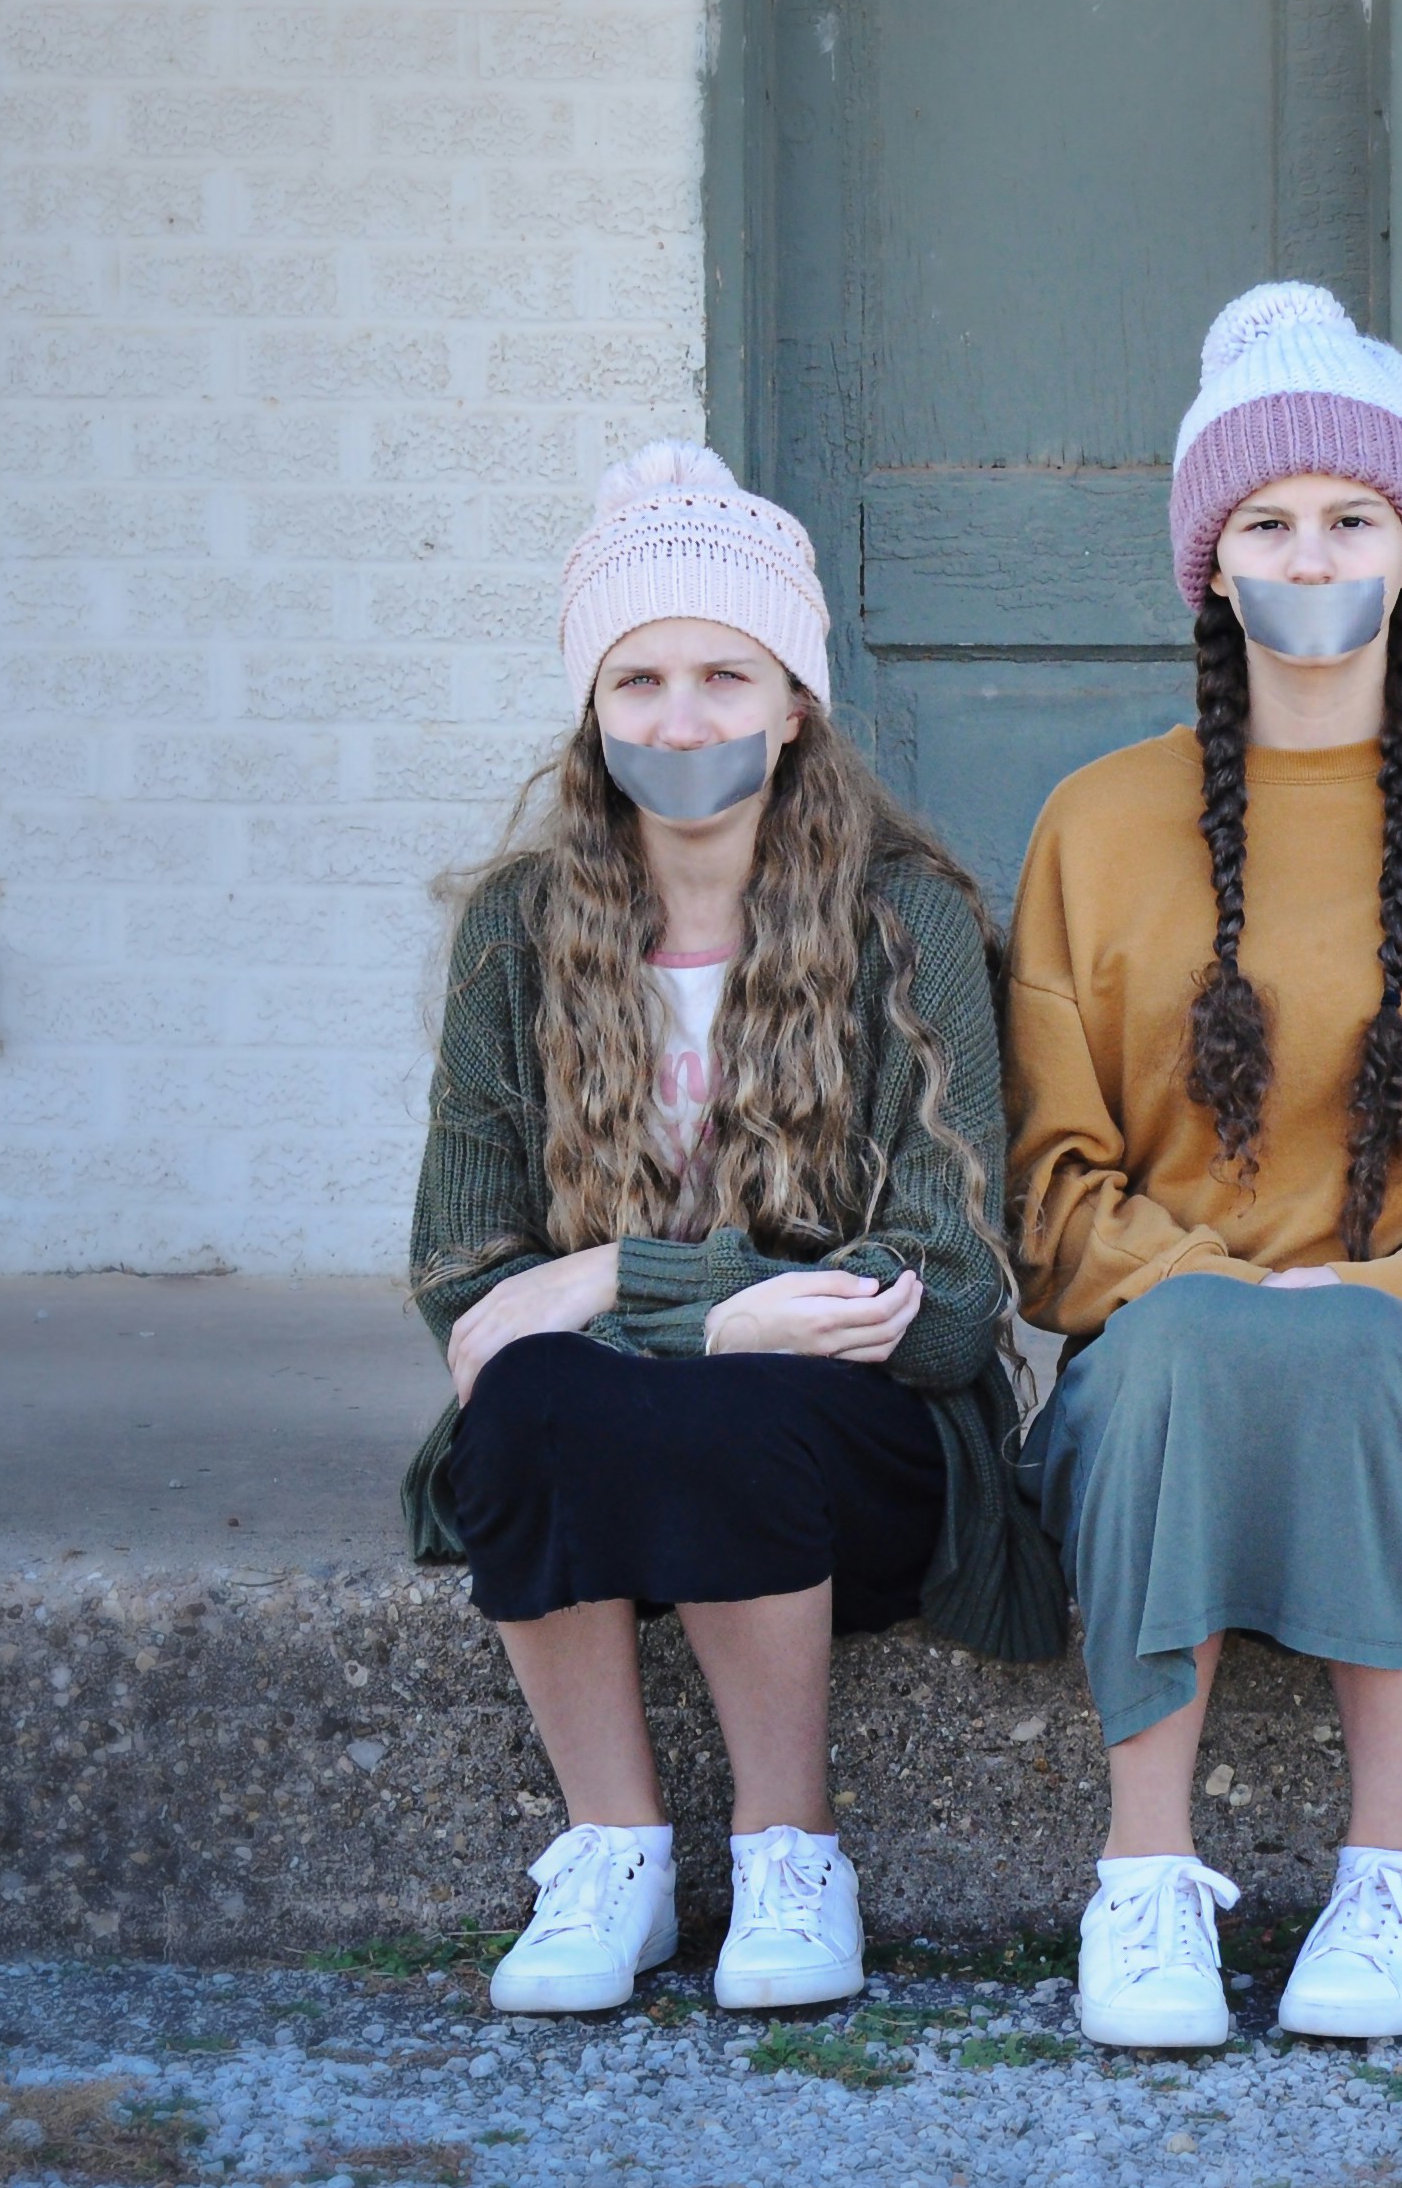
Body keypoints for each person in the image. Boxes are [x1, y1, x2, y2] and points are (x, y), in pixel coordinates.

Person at [1007, 283, 1402, 2048]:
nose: (1312, 552)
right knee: (1203, 1340)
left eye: (1352, 518)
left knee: (1342, 1345)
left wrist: (1372, 1292)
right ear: (1210, 566)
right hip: (1158, 1380)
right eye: (1267, 523)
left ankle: (1397, 1878)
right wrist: (1212, 1290)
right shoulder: (1094, 825)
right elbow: (1051, 1191)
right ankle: (1142, 1886)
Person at [406, 443, 1062, 2018]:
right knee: (531, 1389)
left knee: (743, 1404)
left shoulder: (904, 920)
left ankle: (788, 1852)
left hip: (860, 1451)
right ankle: (613, 1851)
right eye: (638, 682)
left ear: (796, 703)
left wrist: (624, 1280)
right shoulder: (518, 927)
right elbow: (472, 1286)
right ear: (592, 709)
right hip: (619, 1424)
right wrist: (716, 1308)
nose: (680, 721)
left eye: (723, 675)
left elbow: (954, 1295)